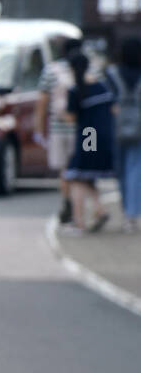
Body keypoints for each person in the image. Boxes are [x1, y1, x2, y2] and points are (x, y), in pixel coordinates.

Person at [63, 51, 116, 234]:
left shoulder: (75, 90)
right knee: (86, 176)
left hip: (88, 135)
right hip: (105, 135)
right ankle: (99, 209)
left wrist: (62, 113)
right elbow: (113, 109)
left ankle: (79, 223)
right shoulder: (102, 86)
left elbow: (71, 118)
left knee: (76, 176)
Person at [36, 37, 84, 224]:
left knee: (65, 169)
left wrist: (39, 129)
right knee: (88, 167)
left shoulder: (51, 70)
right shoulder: (91, 69)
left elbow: (42, 103)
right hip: (88, 130)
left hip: (58, 129)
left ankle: (68, 203)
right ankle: (90, 207)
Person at [107, 38, 141, 232]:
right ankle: (132, 215)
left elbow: (107, 100)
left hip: (116, 127)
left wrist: (92, 140)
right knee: (136, 170)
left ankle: (125, 208)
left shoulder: (112, 74)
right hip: (139, 128)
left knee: (120, 171)